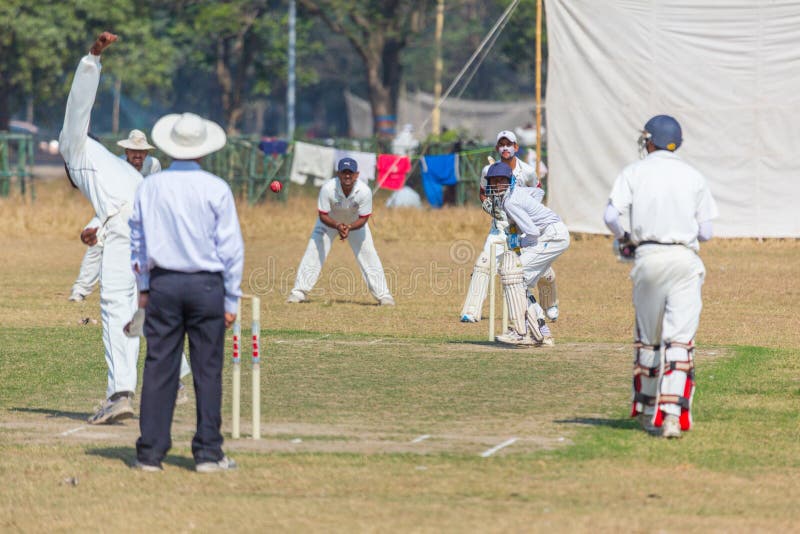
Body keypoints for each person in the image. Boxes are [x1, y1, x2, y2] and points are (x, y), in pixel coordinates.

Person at [130, 111, 244, 472]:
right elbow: (231, 248)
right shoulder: (216, 187)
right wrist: (232, 298)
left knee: (159, 366)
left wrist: (144, 287)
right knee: (207, 369)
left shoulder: (151, 186)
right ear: (202, 150)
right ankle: (209, 453)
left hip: (163, 283)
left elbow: (138, 241)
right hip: (206, 284)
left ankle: (150, 454)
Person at [604, 115, 718, 439]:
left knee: (650, 339)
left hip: (648, 258)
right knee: (679, 340)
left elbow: (610, 215)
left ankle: (645, 407)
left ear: (650, 140)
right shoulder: (693, 175)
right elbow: (707, 232)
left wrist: (626, 235)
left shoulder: (634, 172)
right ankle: (671, 417)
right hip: (684, 259)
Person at [59, 32, 142, 424]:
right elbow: (117, 203)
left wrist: (92, 59)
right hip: (147, 226)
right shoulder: (112, 163)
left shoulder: (72, 147)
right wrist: (96, 227)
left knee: (113, 309)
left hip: (128, 228)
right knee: (141, 307)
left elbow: (78, 107)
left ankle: (119, 394)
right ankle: (175, 376)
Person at [460, 130, 559, 323]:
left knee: (540, 269)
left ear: (516, 147)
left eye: (509, 144)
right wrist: (488, 205)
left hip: (524, 227)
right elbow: (483, 192)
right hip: (500, 227)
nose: (505, 148)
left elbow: (538, 193)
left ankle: (550, 304)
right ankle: (471, 311)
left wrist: (531, 214)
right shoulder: (488, 171)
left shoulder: (528, 172)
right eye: (501, 144)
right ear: (497, 148)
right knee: (483, 265)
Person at [287, 158, 395, 306]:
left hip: (355, 222)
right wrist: (338, 225)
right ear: (338, 174)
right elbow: (322, 215)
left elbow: (364, 219)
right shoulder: (328, 188)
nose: (347, 176)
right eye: (344, 173)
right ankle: (298, 292)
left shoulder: (364, 191)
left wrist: (349, 227)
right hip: (330, 220)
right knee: (314, 249)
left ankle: (384, 296)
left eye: (350, 173)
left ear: (356, 175)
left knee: (368, 253)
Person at [484, 162, 570, 346]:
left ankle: (520, 332)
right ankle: (542, 333)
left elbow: (532, 233)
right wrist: (527, 208)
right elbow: (538, 193)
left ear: (510, 181)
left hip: (551, 235)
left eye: (502, 180)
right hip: (553, 233)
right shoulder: (516, 194)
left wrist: (517, 241)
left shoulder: (510, 201)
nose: (498, 184)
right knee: (521, 284)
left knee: (513, 275)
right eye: (494, 180)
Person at [69, 130, 161, 302]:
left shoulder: (153, 165)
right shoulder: (116, 164)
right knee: (96, 243)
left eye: (141, 151)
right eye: (134, 151)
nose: (137, 155)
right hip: (113, 211)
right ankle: (80, 290)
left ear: (146, 153)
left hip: (141, 214)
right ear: (126, 152)